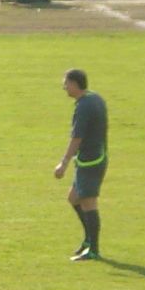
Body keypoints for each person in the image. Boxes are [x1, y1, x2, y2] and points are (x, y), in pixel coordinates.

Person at [54, 69, 108, 261]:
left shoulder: (84, 106)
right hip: (91, 158)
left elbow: (77, 137)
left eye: (66, 83)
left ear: (75, 84)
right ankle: (88, 240)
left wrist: (63, 163)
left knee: (88, 203)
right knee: (73, 198)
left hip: (91, 161)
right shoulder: (95, 98)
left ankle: (94, 249)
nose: (64, 87)